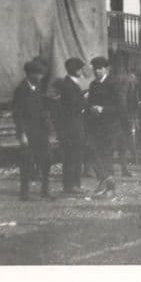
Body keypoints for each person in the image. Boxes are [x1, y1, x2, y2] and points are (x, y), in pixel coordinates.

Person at [12, 59, 54, 201]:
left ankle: (45, 191)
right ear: (30, 74)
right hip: (28, 131)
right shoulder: (21, 90)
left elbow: (42, 110)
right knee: (26, 162)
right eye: (38, 74)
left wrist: (48, 129)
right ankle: (24, 193)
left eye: (41, 74)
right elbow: (17, 114)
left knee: (47, 159)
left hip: (40, 131)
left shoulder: (38, 88)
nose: (41, 77)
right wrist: (22, 134)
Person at [53, 57, 89, 195]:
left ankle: (73, 185)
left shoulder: (69, 84)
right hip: (72, 127)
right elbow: (74, 106)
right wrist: (85, 100)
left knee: (73, 156)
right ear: (76, 70)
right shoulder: (70, 86)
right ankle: (72, 186)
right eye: (80, 69)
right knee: (73, 156)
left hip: (71, 127)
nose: (81, 71)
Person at [87, 56, 121, 196]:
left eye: (99, 69)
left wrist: (104, 109)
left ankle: (110, 188)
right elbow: (89, 102)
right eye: (95, 69)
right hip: (96, 125)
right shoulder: (93, 85)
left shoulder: (113, 84)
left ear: (105, 69)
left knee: (106, 155)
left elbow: (119, 106)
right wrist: (91, 108)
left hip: (110, 125)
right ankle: (103, 181)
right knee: (95, 154)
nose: (97, 72)